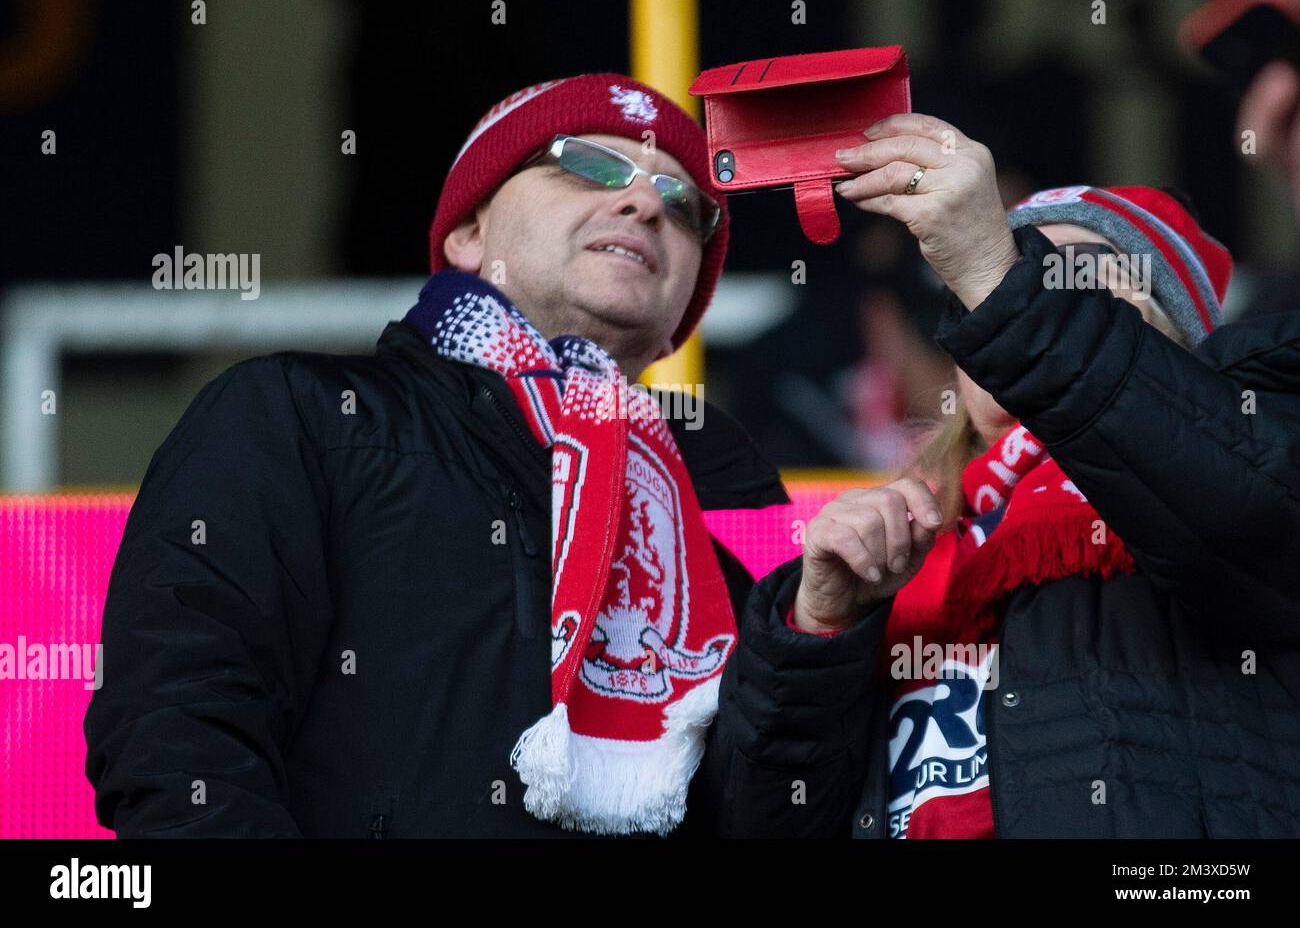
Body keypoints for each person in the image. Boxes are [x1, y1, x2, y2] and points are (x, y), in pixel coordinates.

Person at [83, 73, 905, 837]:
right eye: (584, 164)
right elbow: (177, 732)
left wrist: (818, 632)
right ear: (471, 231)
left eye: (685, 207)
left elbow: (766, 824)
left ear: (683, 307)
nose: (647, 207)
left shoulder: (701, 564)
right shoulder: (301, 420)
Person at [698, 112, 1300, 837]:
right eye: (982, 295)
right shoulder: (898, 540)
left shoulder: (1234, 471)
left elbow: (1237, 495)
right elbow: (756, 823)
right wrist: (818, 629)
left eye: (1072, 287)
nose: (1006, 311)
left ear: (1164, 352)